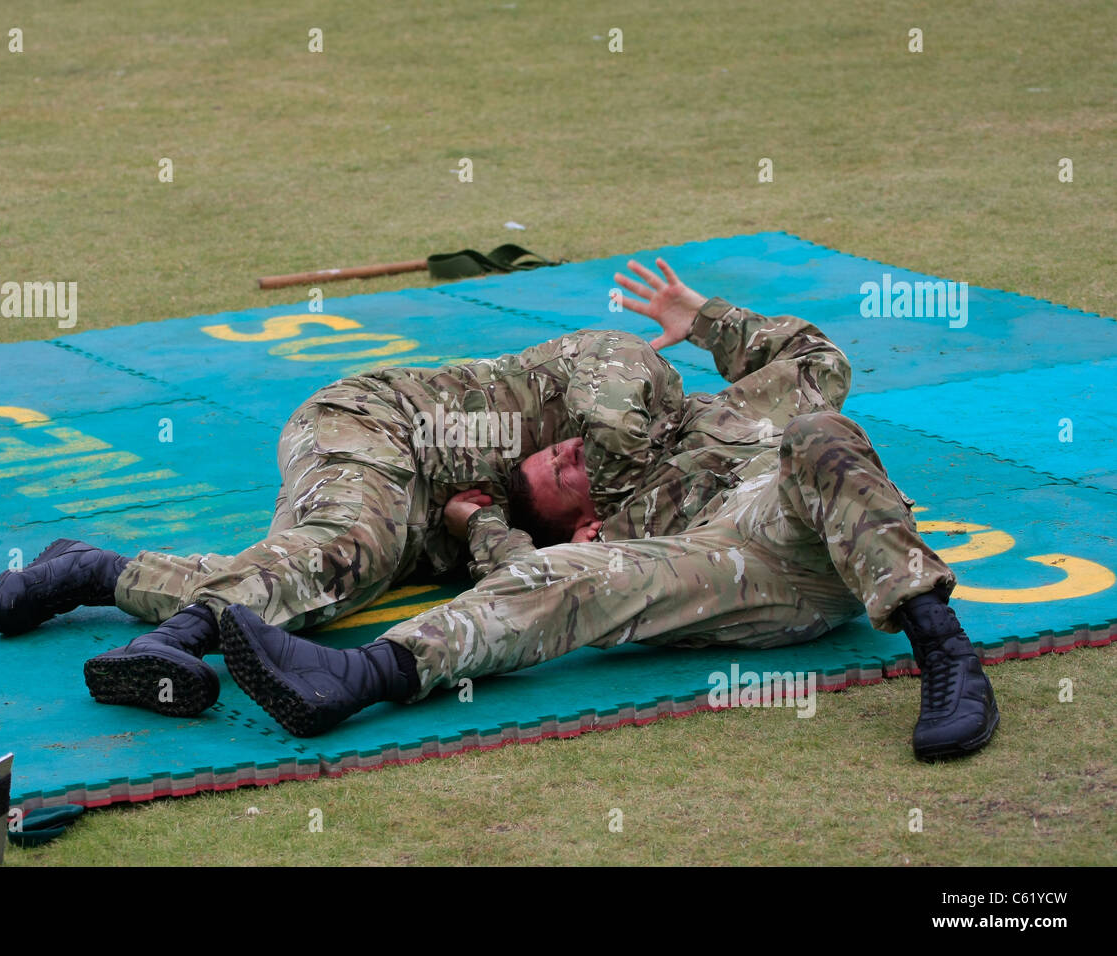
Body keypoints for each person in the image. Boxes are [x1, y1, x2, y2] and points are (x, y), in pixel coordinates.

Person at [212, 258, 1000, 762]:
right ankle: (359, 676)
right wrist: (483, 525)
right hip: (727, 564)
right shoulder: (610, 519)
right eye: (567, 457)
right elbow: (533, 582)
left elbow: (819, 360)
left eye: (574, 448)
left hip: (801, 520)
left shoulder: (734, 409)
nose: (575, 452)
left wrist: (704, 323)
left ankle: (946, 655)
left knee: (820, 432)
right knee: (577, 577)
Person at [0, 325, 688, 715]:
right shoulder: (631, 386)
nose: (570, 451)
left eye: (576, 474)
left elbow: (530, 588)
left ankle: (94, 570)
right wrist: (619, 471)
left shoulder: (583, 529)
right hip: (380, 424)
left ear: (586, 529)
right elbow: (622, 375)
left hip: (411, 493)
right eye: (577, 448)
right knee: (352, 549)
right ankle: (174, 638)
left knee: (318, 584)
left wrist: (481, 529)